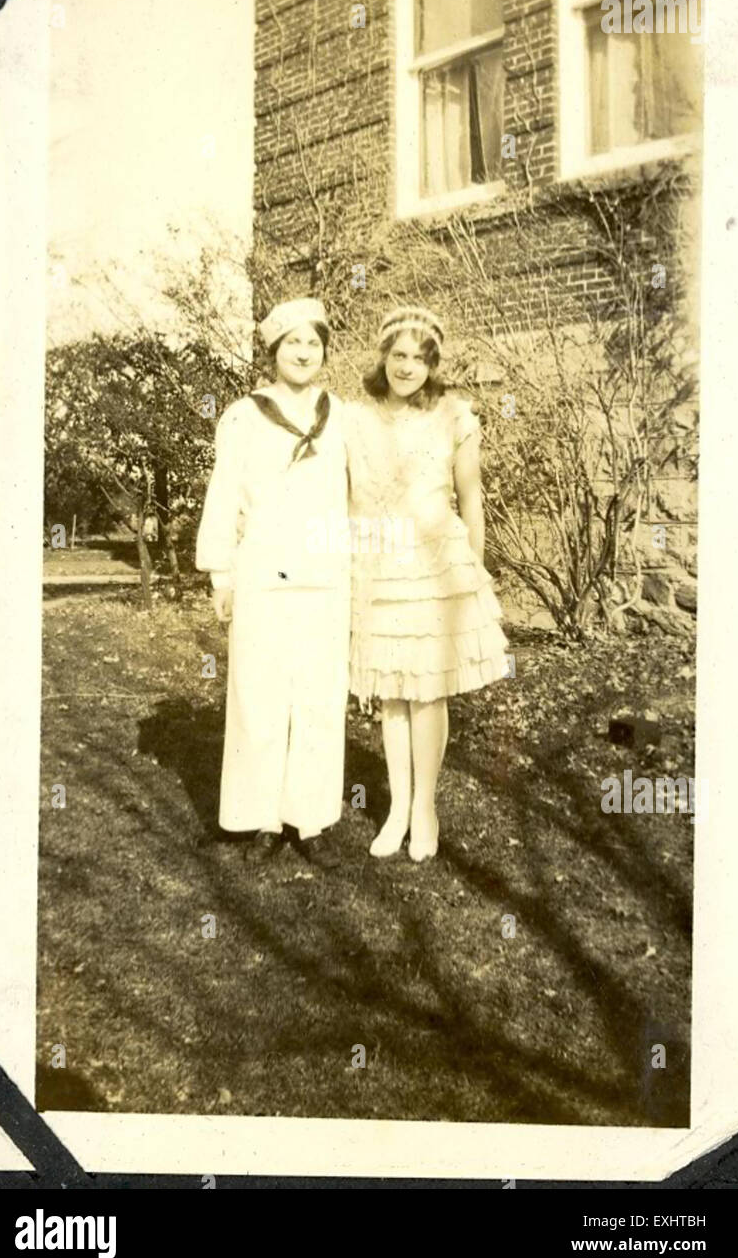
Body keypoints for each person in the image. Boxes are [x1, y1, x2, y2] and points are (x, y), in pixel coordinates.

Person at [344, 306, 509, 862]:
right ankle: (395, 808)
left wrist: (475, 568)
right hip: (383, 567)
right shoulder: (359, 420)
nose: (407, 366)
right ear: (383, 359)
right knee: (392, 689)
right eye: (398, 355)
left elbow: (472, 495)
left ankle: (425, 808)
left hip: (437, 566)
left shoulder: (455, 416)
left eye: (419, 357)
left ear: (432, 364)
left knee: (428, 690)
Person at [195, 297, 349, 868]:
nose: (304, 353)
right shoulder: (242, 415)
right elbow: (225, 494)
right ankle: (255, 815)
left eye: (313, 343)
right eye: (293, 343)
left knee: (317, 697)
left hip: (324, 578)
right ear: (274, 352)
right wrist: (220, 572)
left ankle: (307, 818)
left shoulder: (343, 418)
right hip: (262, 573)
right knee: (257, 694)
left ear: (324, 352)